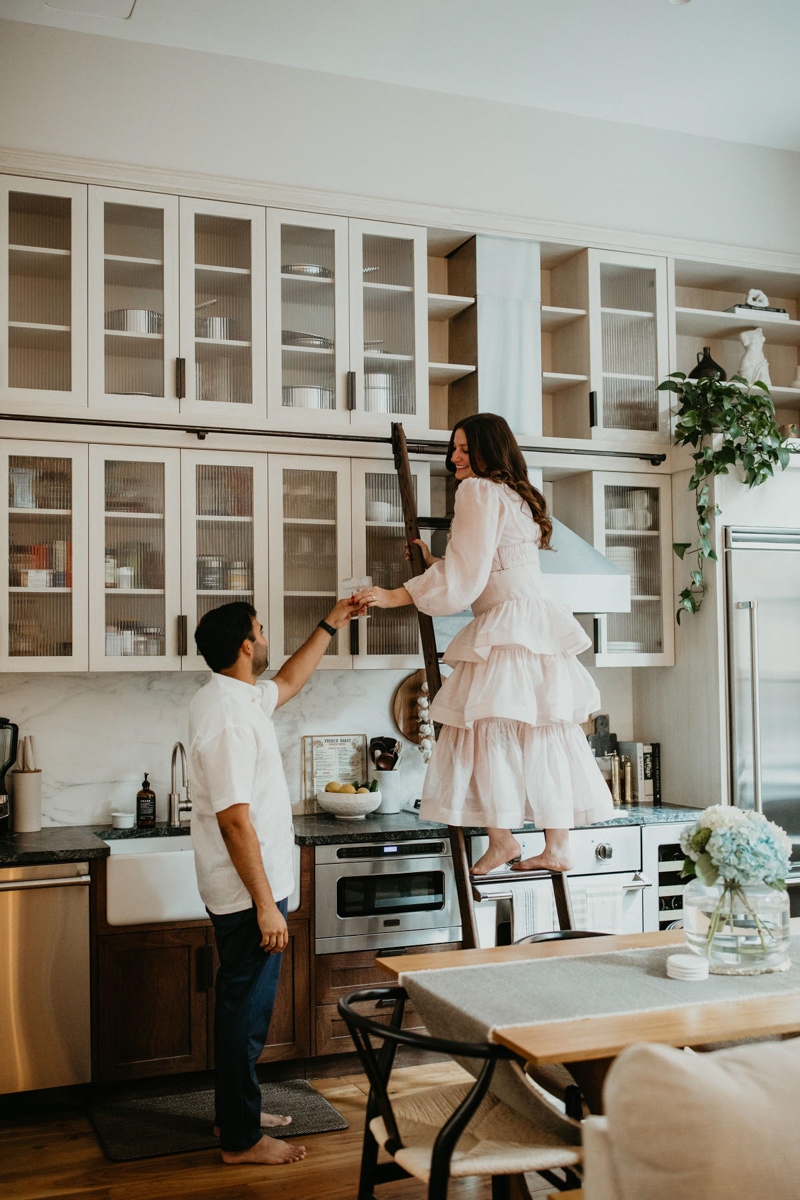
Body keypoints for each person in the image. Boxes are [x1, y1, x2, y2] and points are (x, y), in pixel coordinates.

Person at [353, 413, 613, 876]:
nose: (454, 458)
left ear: (488, 452)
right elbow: (485, 563)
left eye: (464, 449)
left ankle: (502, 839)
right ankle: (556, 846)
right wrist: (437, 563)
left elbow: (466, 578)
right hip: (536, 622)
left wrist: (397, 594)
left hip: (506, 625)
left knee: (483, 732)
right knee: (545, 732)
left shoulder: (475, 491)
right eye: (453, 448)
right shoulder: (515, 496)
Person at [190, 598, 361, 1166]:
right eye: (261, 632)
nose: (266, 640)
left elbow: (289, 680)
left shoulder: (238, 698)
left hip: (255, 888)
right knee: (244, 1014)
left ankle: (235, 1111)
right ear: (245, 645)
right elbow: (234, 819)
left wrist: (331, 622)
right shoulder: (227, 718)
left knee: (247, 1011)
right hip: (248, 895)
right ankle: (240, 1140)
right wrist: (266, 905)